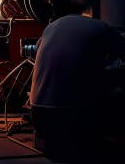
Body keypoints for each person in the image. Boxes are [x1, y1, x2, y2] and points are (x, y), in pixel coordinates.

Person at [29, 14, 125, 162]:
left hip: (38, 117)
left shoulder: (51, 27)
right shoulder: (102, 28)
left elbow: (38, 52)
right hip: (70, 118)